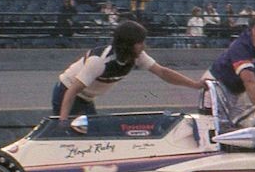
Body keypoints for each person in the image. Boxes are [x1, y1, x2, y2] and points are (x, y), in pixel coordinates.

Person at [51, 20, 205, 121]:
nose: (143, 46)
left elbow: (163, 73)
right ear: (127, 44)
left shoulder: (137, 56)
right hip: (67, 92)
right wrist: (62, 122)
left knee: (90, 133)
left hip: (86, 98)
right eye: (140, 43)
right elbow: (71, 91)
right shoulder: (99, 62)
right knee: (74, 136)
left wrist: (195, 84)